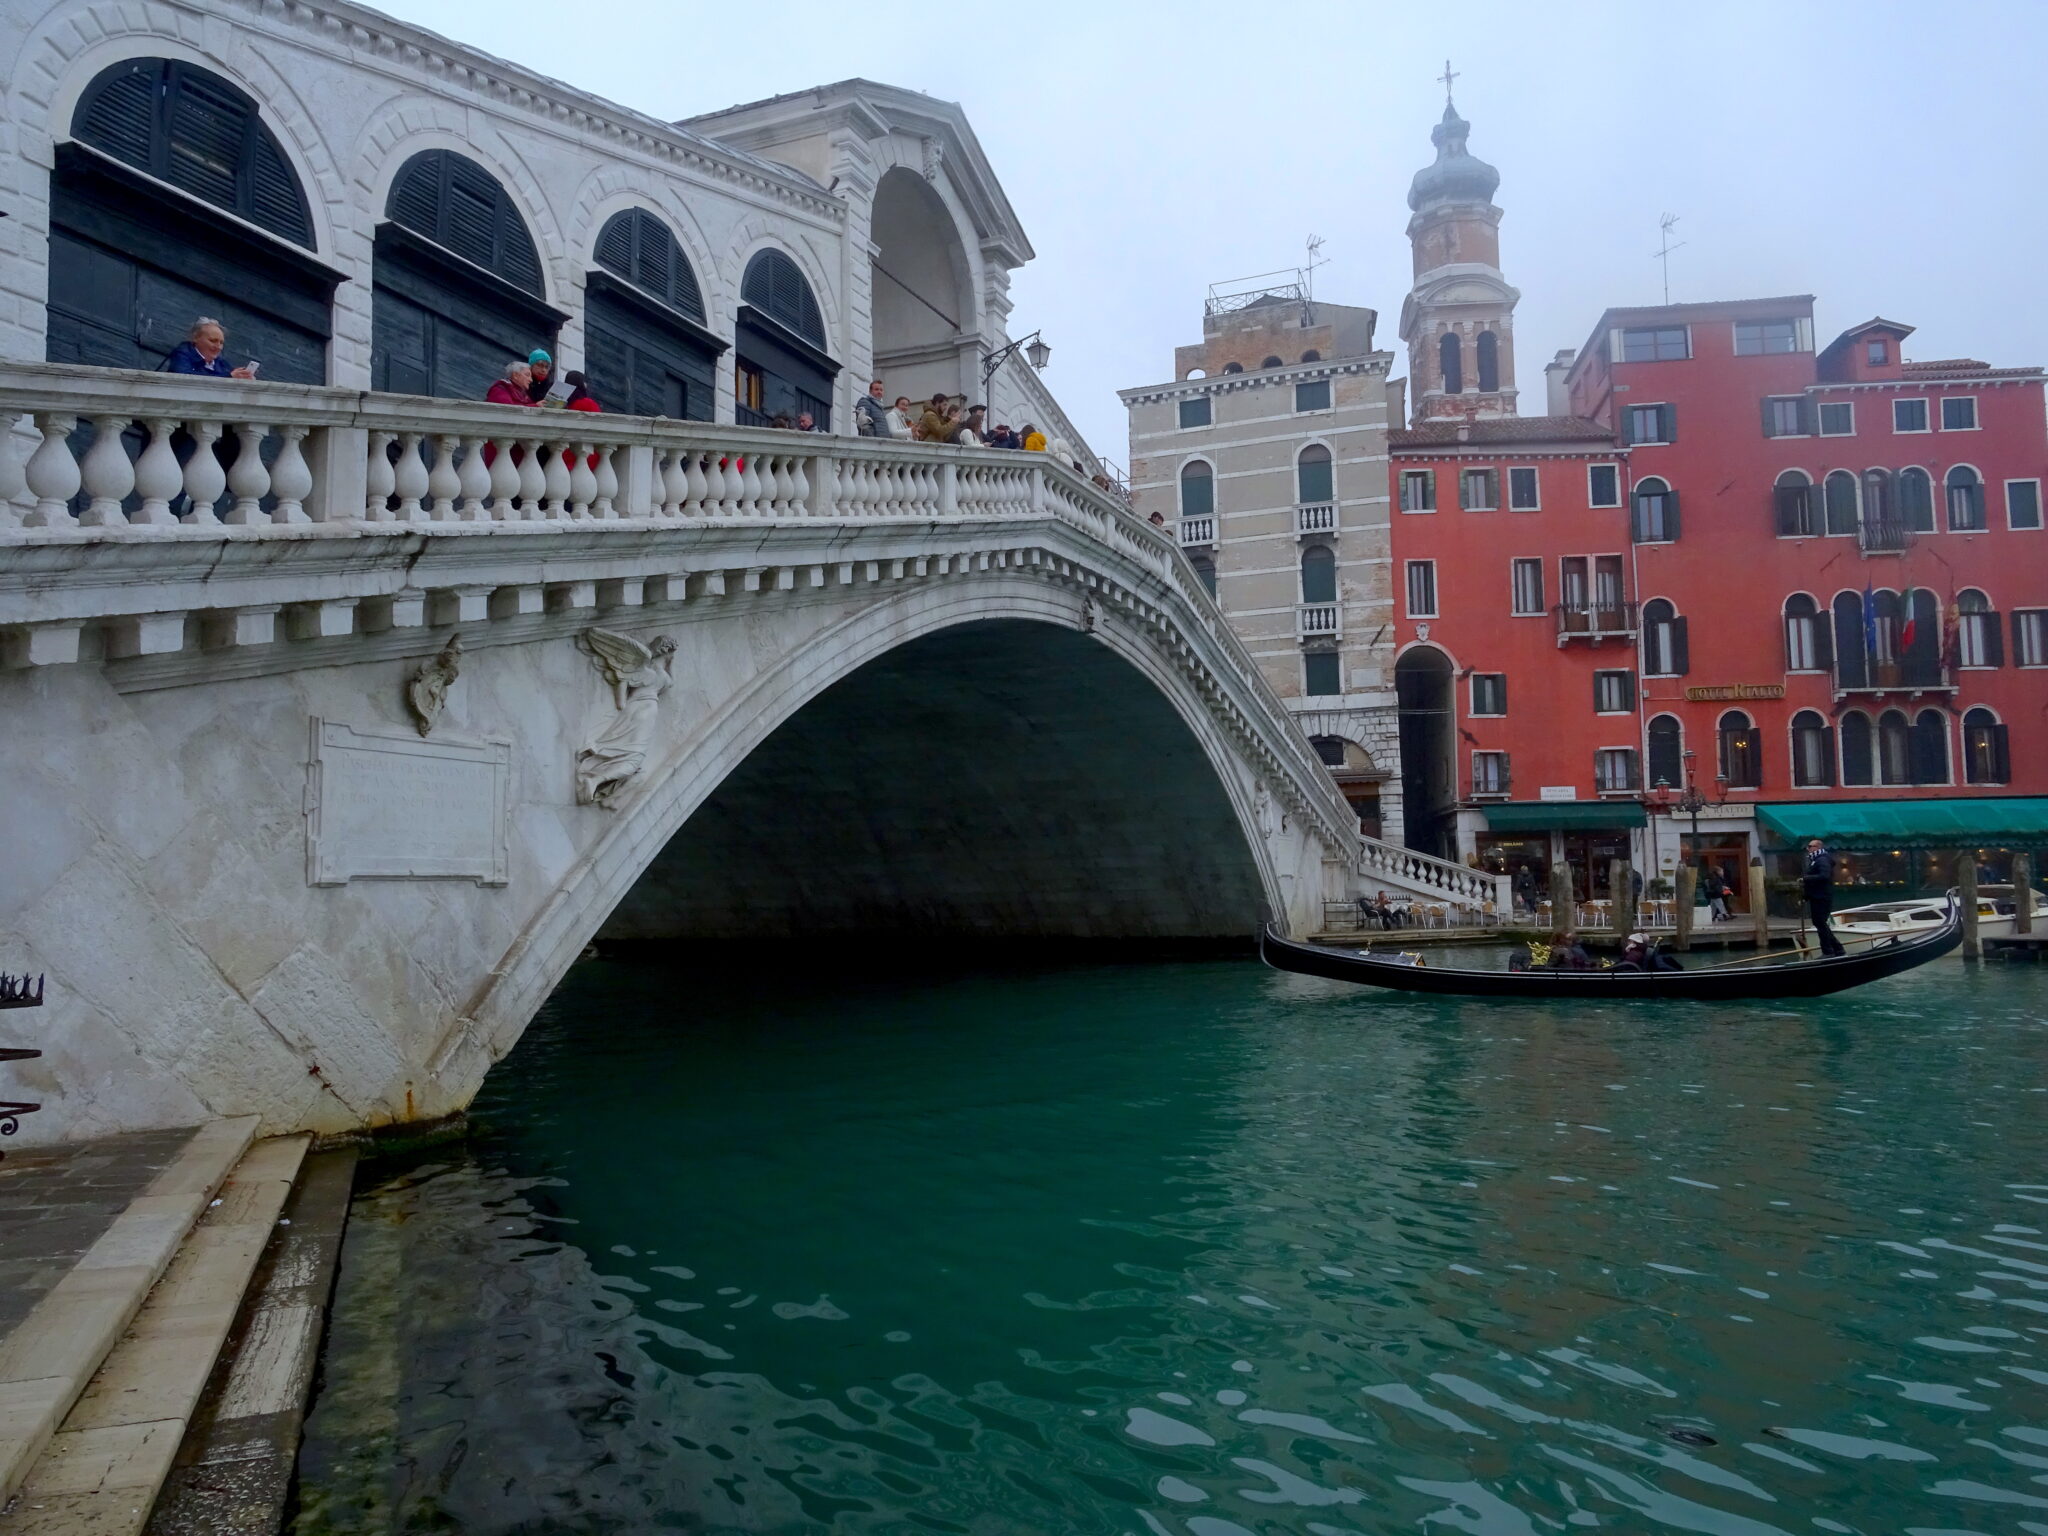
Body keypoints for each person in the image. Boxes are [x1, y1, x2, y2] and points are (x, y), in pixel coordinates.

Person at [165, 317, 257, 379]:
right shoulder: (182, 354)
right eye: (213, 341)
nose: (218, 347)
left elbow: (231, 376)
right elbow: (183, 377)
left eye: (221, 343)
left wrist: (243, 377)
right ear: (195, 338)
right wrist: (228, 376)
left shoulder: (221, 363)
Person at [1802, 837, 1846, 957]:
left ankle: (1828, 951)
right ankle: (1837, 948)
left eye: (1810, 847)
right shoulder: (1815, 860)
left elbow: (1824, 876)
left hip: (1821, 897)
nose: (1808, 849)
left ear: (1818, 847)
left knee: (1820, 923)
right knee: (1820, 923)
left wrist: (1806, 878)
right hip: (1817, 896)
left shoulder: (1822, 860)